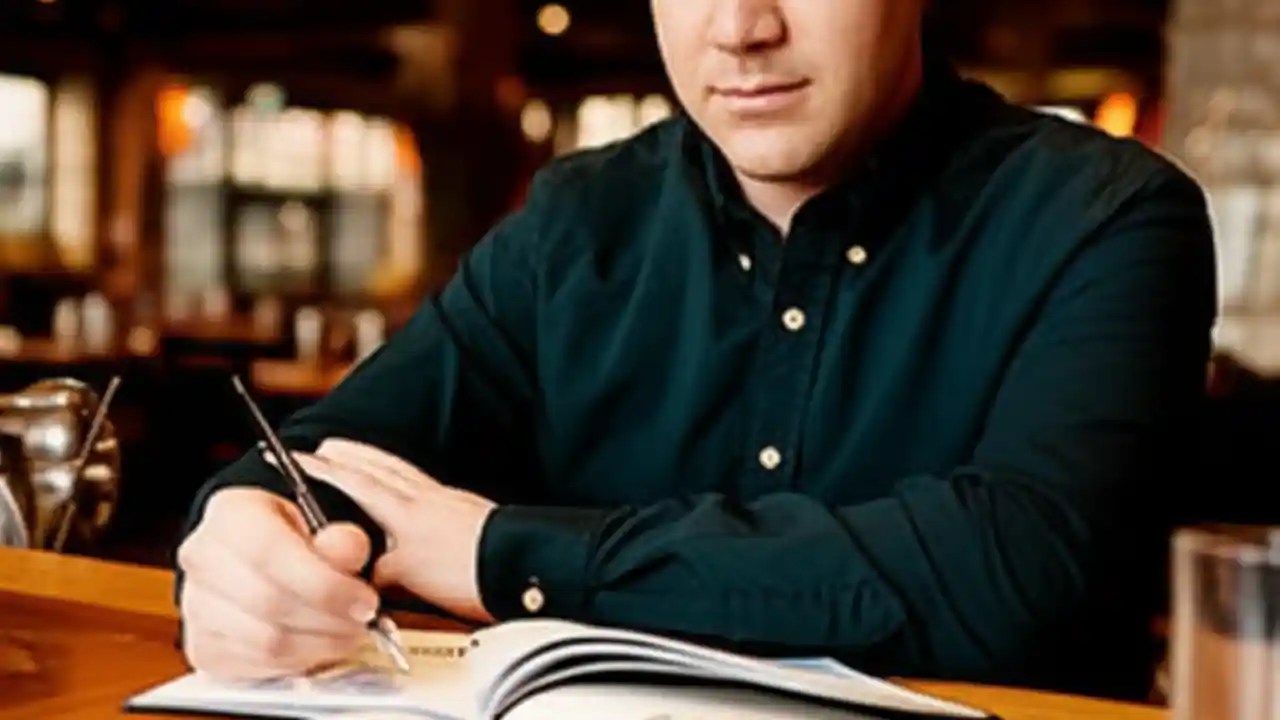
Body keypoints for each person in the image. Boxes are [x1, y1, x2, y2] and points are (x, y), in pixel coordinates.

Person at [173, 0, 1218, 701]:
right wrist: (243, 539)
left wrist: (503, 555)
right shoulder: (575, 221)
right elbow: (326, 465)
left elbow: (1017, 576)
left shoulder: (1106, 217)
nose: (738, 27)